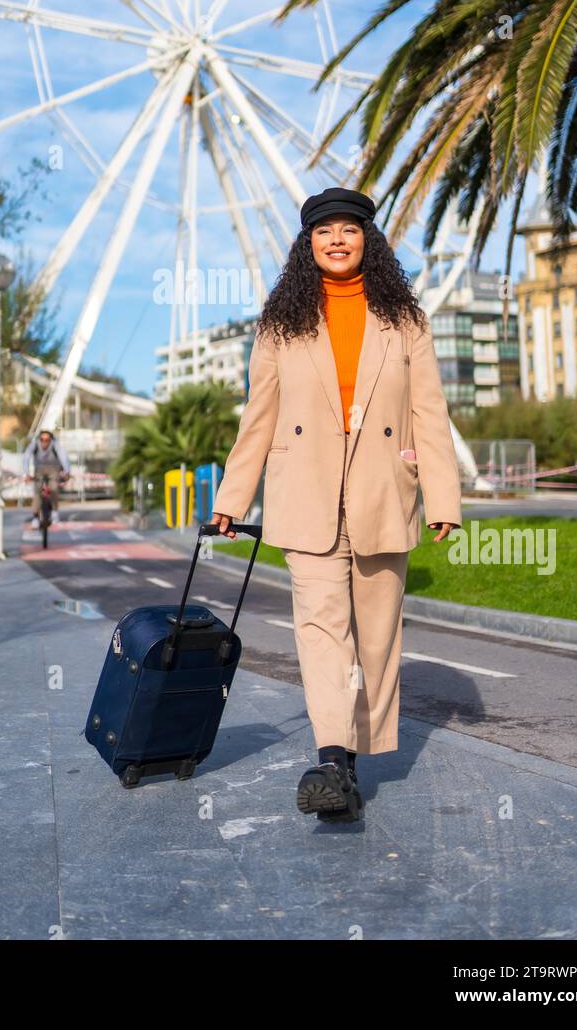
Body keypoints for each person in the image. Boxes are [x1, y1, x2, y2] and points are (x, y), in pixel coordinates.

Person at [209, 187, 462, 823]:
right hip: (306, 496)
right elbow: (258, 416)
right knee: (323, 632)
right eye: (325, 232)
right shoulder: (280, 323)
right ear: (308, 244)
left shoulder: (406, 322)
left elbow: (429, 412)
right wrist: (232, 497)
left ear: (368, 241)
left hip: (383, 494)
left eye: (349, 230)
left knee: (376, 640)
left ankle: (353, 753)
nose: (337, 241)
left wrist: (444, 498)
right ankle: (333, 762)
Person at [22, 428, 71, 529]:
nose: (44, 442)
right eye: (42, 440)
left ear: (51, 440)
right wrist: (26, 473)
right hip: (39, 469)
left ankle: (54, 512)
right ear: (39, 439)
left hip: (53, 469)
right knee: (37, 491)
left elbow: (63, 457)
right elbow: (26, 457)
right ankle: (35, 517)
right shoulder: (35, 444)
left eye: (47, 440)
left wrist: (66, 471)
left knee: (54, 488)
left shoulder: (55, 445)